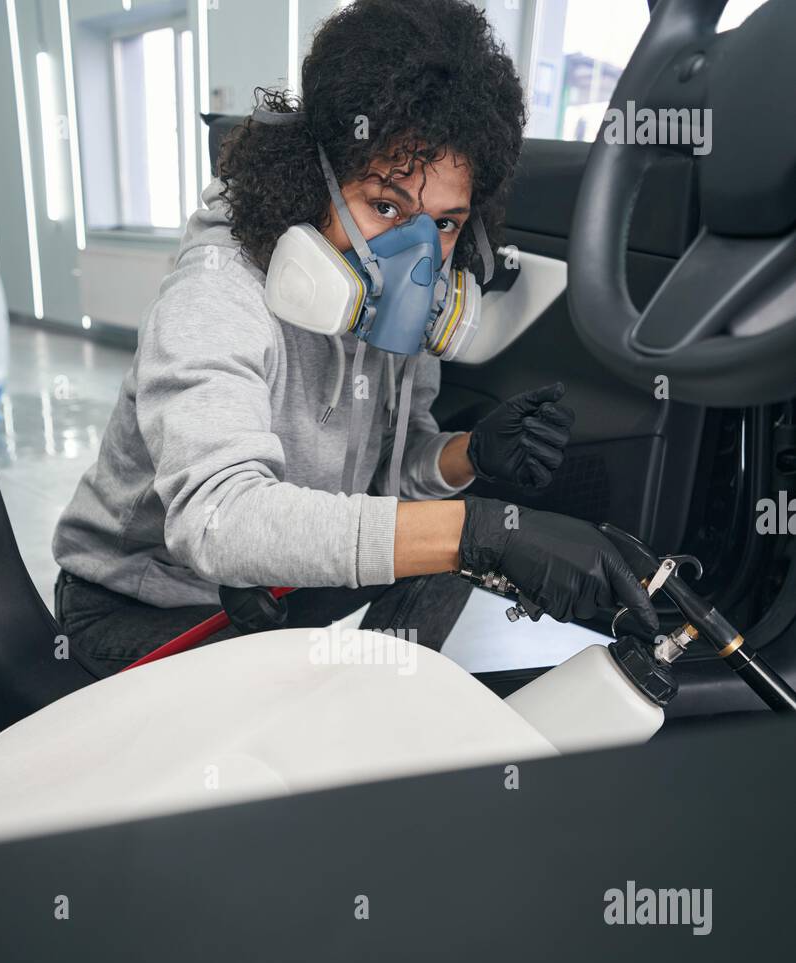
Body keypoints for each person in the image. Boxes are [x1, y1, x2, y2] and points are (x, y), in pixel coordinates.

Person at [52, 0, 656, 677]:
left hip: (274, 588)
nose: (418, 251)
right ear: (315, 181)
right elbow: (218, 518)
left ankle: (372, 716)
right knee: (460, 544)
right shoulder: (217, 294)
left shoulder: (396, 316)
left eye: (447, 222)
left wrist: (468, 455)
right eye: (386, 206)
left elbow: (389, 484)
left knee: (450, 558)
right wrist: (475, 534)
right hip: (142, 611)